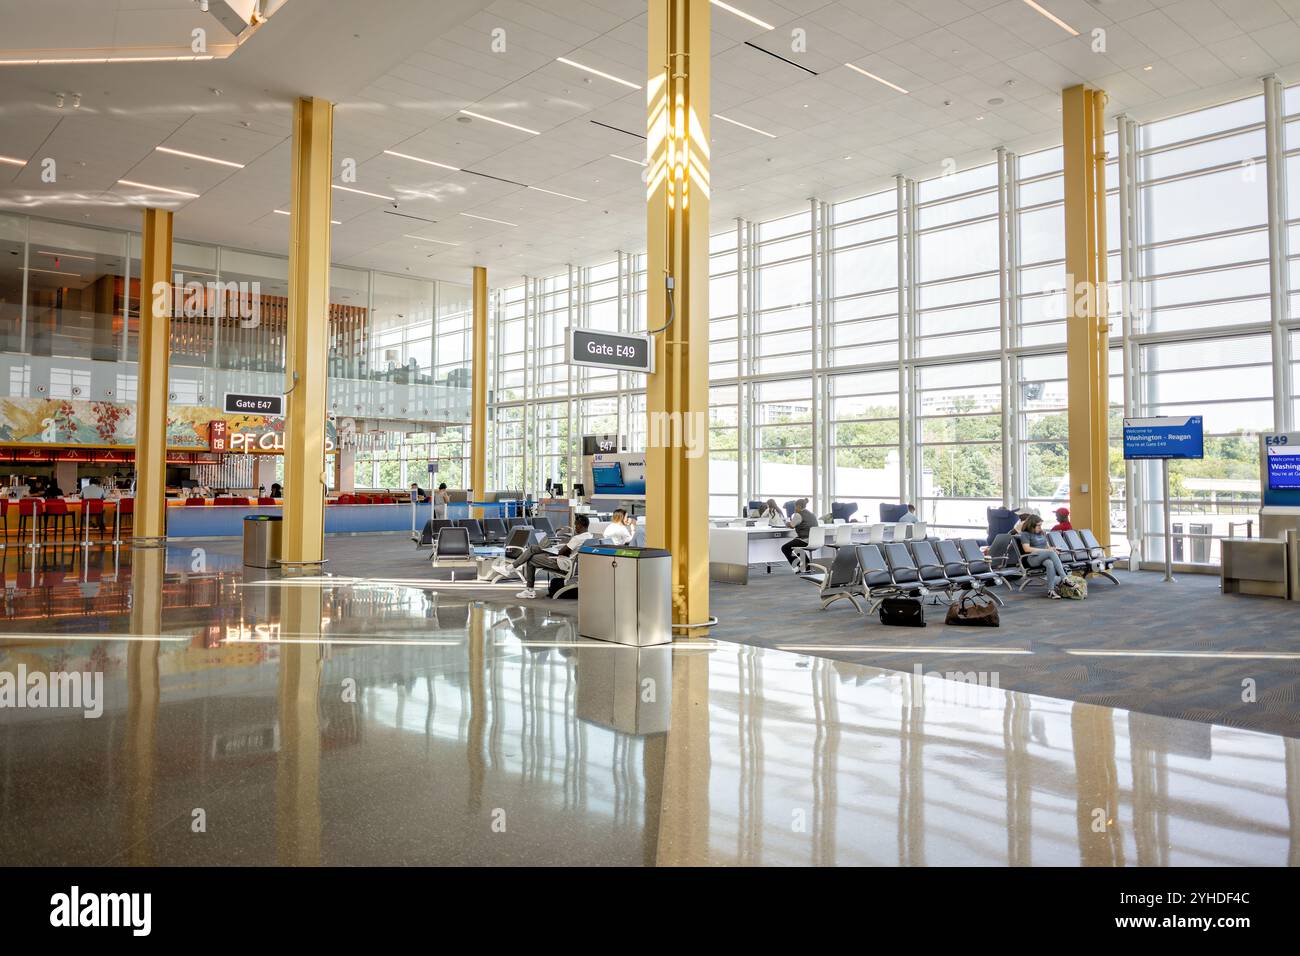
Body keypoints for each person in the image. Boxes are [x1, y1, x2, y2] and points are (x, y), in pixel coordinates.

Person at [496, 514, 594, 599]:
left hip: (562, 562)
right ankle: (513, 568)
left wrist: (555, 550)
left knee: (531, 559)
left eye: (576, 525)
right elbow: (568, 551)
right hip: (570, 562)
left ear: (580, 525)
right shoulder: (590, 536)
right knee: (533, 549)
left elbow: (562, 552)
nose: (575, 527)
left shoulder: (577, 538)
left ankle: (528, 589)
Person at [1019, 515, 1068, 599]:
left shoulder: (1041, 533)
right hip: (1032, 558)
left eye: (1041, 525)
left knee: (1050, 563)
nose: (1040, 527)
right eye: (1038, 525)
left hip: (1043, 557)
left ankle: (1051, 591)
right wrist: (1048, 551)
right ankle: (1065, 579)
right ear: (1031, 525)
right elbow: (1027, 549)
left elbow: (1046, 547)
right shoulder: (1025, 534)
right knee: (1051, 553)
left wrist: (1052, 548)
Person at [780, 498, 818, 567]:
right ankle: (806, 566)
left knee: (785, 548)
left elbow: (792, 525)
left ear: (799, 506)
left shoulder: (798, 514)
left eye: (795, 506)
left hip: (805, 539)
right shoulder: (812, 514)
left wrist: (786, 523)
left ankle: (798, 566)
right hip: (815, 539)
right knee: (797, 546)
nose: (795, 508)